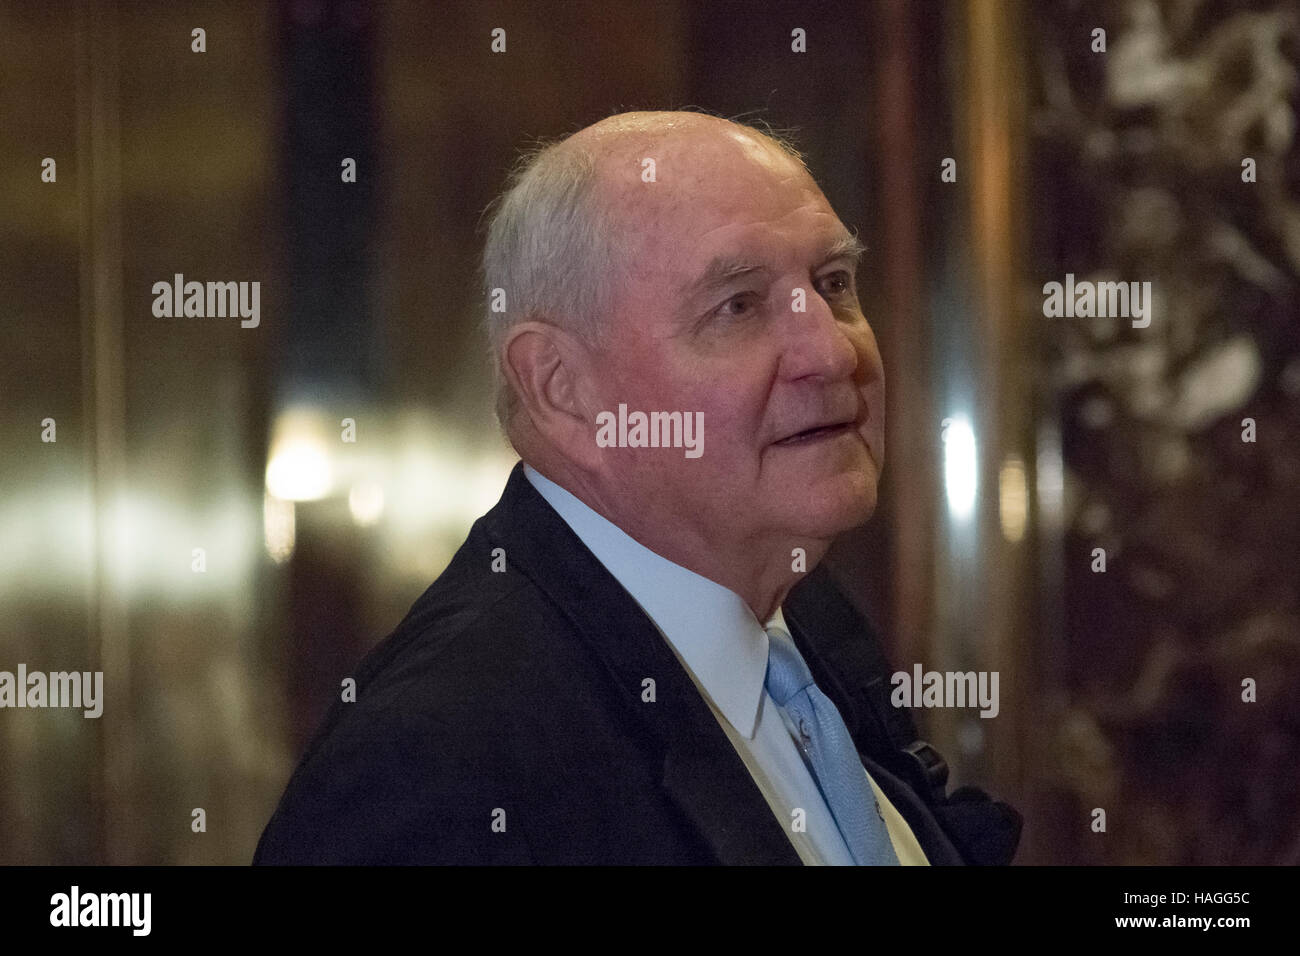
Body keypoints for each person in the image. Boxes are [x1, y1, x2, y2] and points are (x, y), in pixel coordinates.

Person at [254, 110, 1021, 865]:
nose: (832, 350)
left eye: (834, 282)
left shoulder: (806, 614)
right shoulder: (435, 767)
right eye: (739, 305)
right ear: (563, 390)